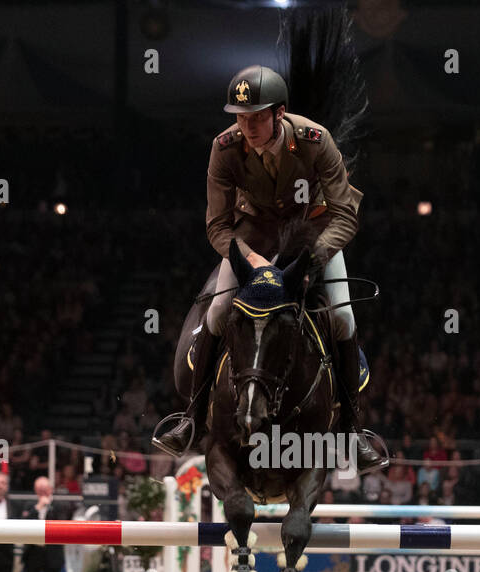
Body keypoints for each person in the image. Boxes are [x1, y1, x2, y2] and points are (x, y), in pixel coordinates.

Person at [152, 64, 386, 474]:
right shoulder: (224, 147)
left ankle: (353, 431)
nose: (248, 126)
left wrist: (310, 258)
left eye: (257, 116)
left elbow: (345, 217)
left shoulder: (316, 141)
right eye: (241, 117)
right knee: (219, 312)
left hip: (313, 234)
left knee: (344, 318)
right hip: (252, 237)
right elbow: (216, 225)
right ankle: (190, 419)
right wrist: (251, 260)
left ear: (280, 113)